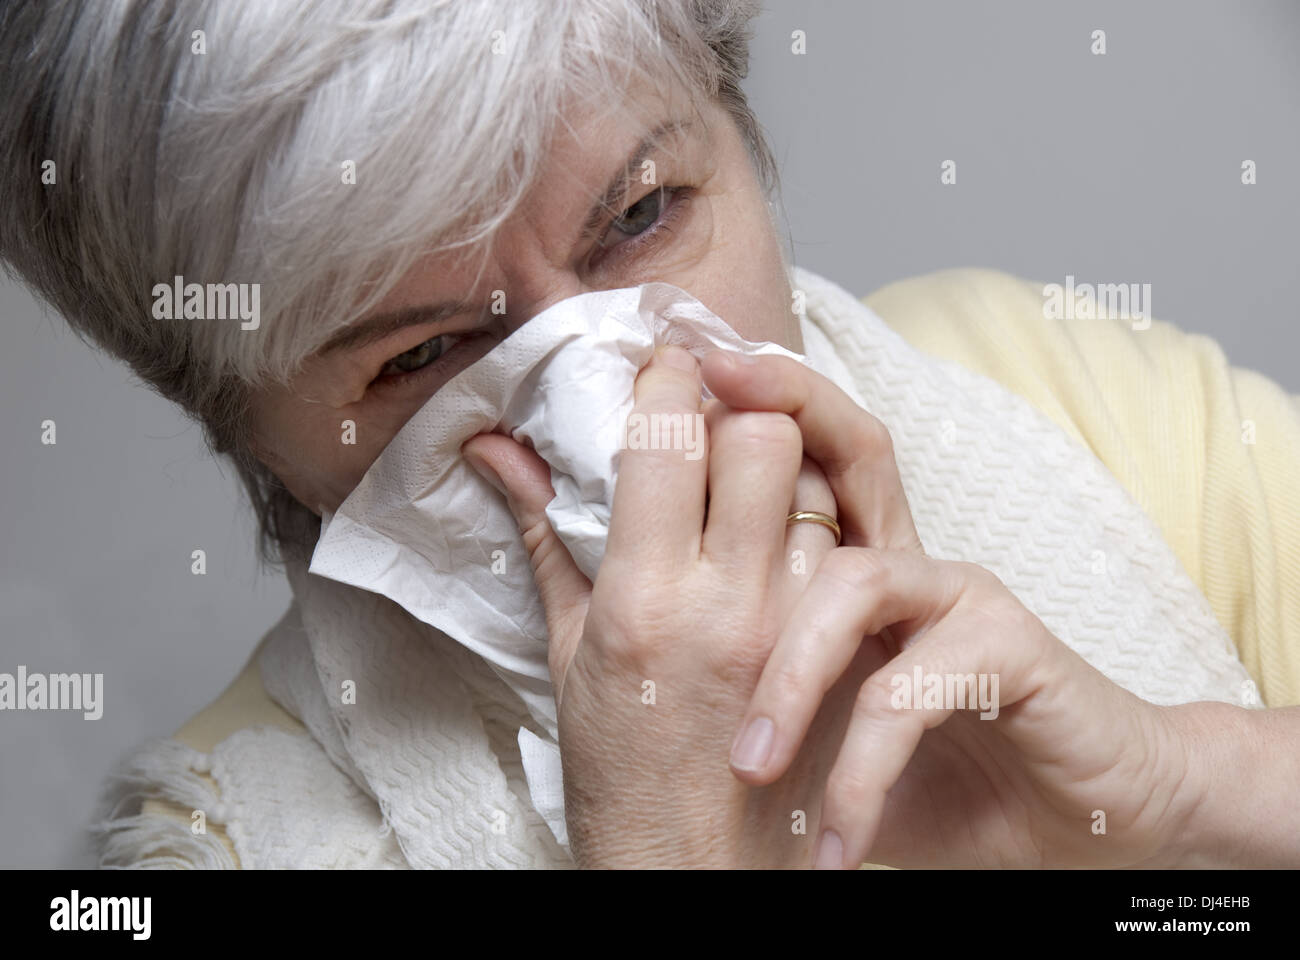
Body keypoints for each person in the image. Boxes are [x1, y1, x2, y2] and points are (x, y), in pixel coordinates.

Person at [2, 0, 1296, 869]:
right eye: (426, 354)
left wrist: (1186, 785)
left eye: (639, 215)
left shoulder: (1064, 385)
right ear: (245, 430)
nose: (612, 420)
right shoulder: (217, 840)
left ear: (739, 130)